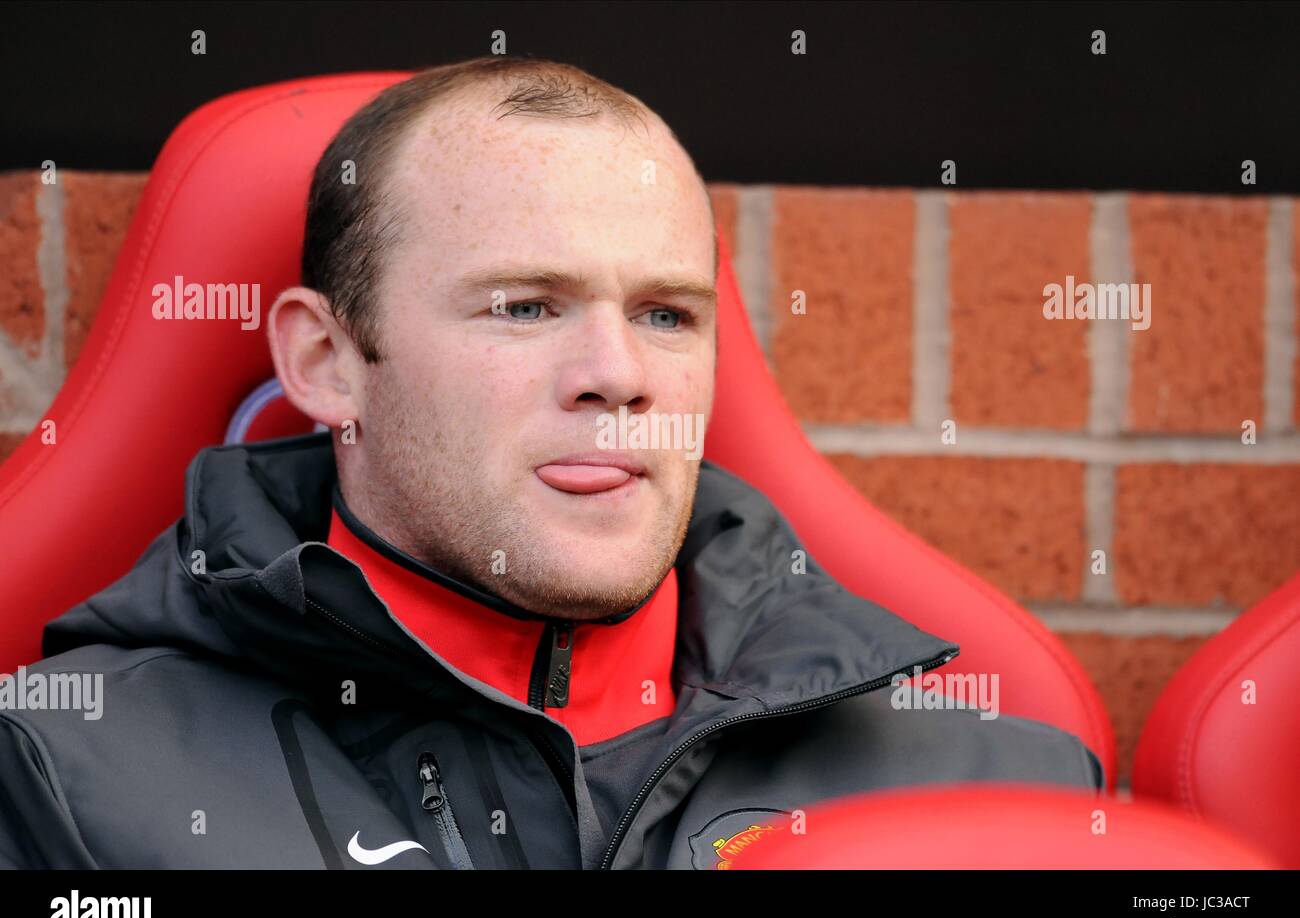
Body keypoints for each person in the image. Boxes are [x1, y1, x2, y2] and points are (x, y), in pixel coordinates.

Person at [0, 56, 1101, 870]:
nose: (617, 374)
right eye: (525, 306)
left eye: (667, 315)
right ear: (328, 363)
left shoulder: (1002, 788)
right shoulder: (67, 779)